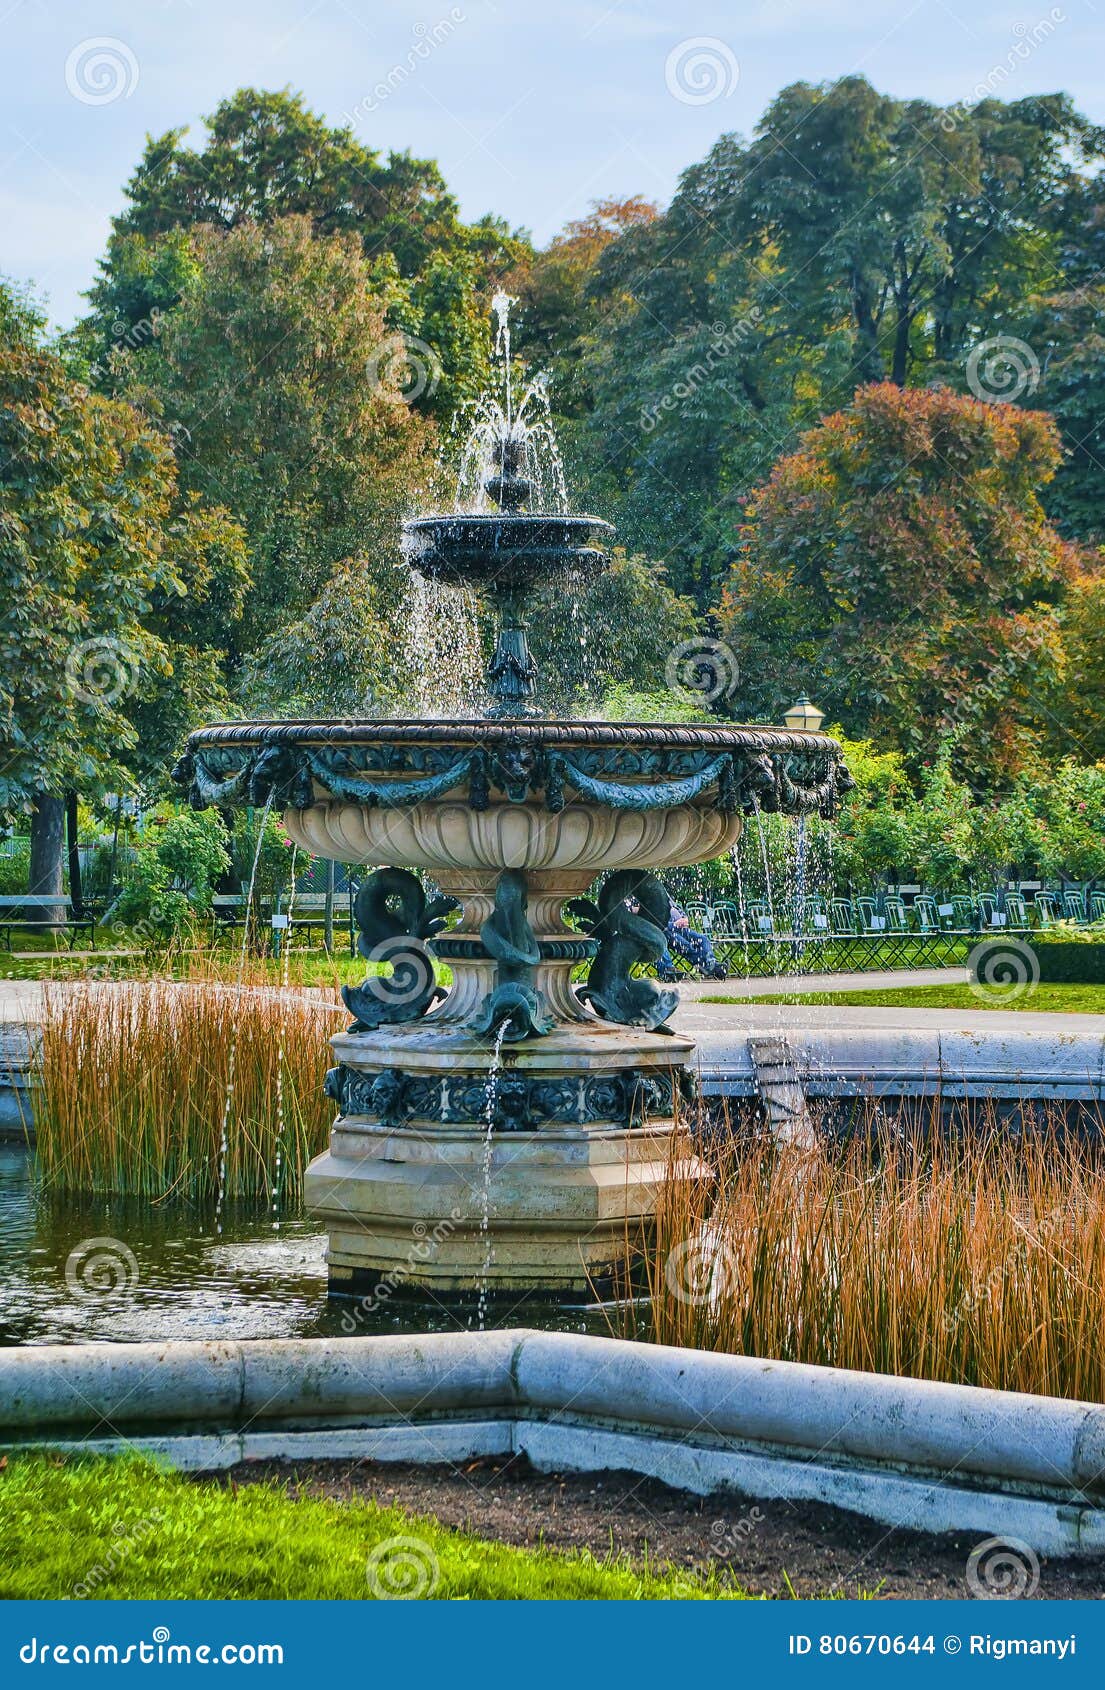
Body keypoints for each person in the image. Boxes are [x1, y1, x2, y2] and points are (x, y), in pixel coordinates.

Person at [655, 897, 727, 982]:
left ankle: (711, 963)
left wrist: (685, 918)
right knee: (684, 944)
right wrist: (673, 924)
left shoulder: (665, 895)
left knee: (702, 939)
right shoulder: (649, 897)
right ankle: (668, 971)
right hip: (666, 929)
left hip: (681, 929)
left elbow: (678, 909)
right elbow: (654, 921)